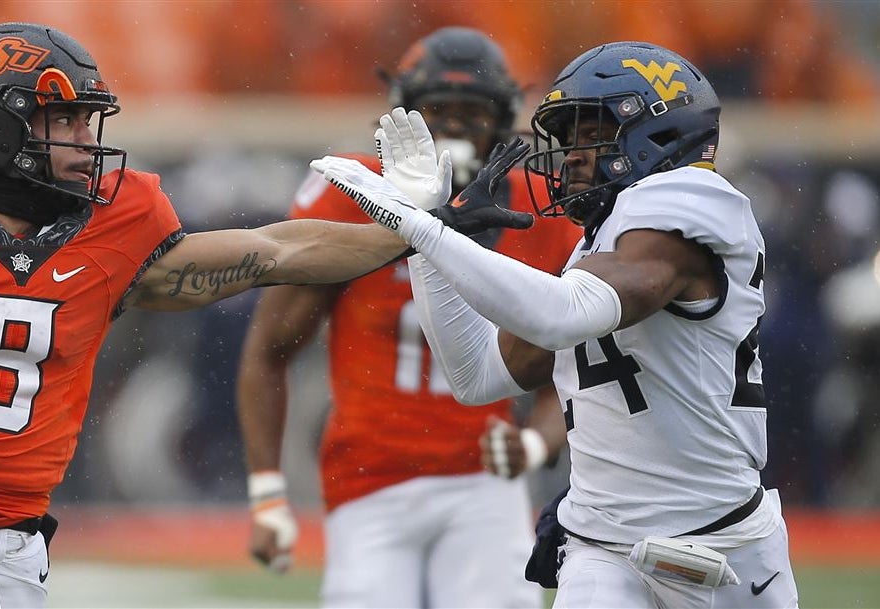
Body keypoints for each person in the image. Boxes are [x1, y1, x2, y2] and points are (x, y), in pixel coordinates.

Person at [0, 22, 512, 609]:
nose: (89, 140)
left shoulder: (115, 227)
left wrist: (421, 230)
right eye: (66, 121)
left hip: (7, 562)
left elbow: (274, 250)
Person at [312, 41, 798, 608]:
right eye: (565, 140)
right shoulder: (602, 237)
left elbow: (566, 313)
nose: (569, 156)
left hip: (717, 549)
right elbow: (477, 374)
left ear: (655, 131)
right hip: (600, 545)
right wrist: (426, 237)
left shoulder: (693, 197)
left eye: (588, 133)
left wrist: (425, 231)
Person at [236, 27, 579, 608]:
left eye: (472, 114)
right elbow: (269, 349)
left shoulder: (537, 212)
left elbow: (571, 364)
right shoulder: (354, 189)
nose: (451, 130)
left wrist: (535, 445)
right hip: (369, 477)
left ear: (502, 121)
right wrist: (268, 494)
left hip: (483, 480)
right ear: (401, 116)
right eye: (436, 111)